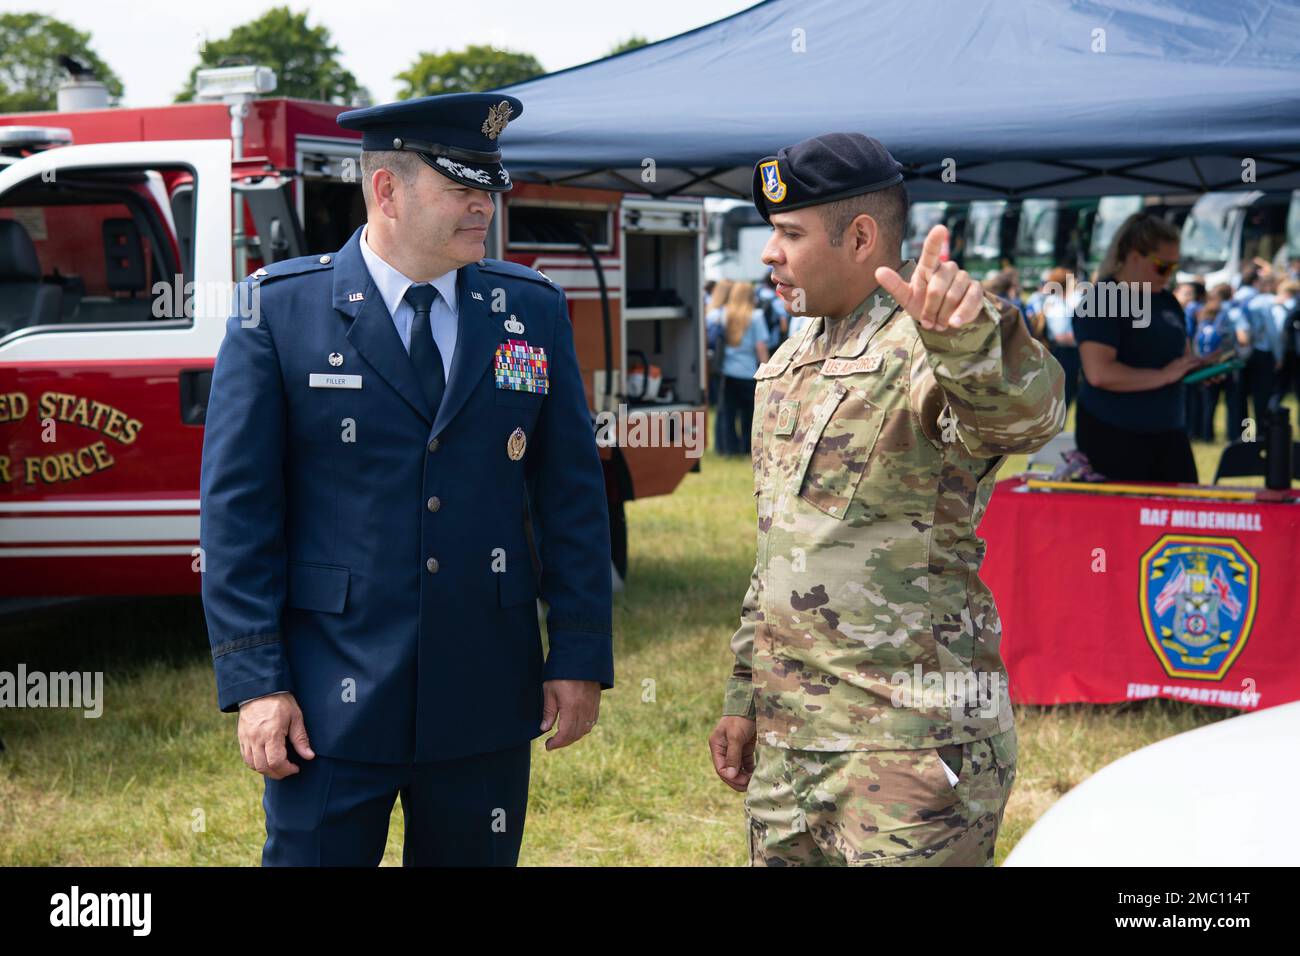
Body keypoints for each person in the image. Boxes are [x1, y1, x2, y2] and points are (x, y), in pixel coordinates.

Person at [199, 92, 614, 867]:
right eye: (461, 188)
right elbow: (237, 517)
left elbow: (571, 501)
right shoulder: (279, 313)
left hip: (484, 692)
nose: (482, 208)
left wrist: (579, 654)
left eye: (488, 188)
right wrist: (258, 683)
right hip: (329, 698)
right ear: (387, 191)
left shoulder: (530, 312)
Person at [708, 133, 1065, 866]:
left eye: (788, 234)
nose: (768, 255)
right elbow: (779, 552)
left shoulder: (935, 336)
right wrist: (746, 697)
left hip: (911, 749)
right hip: (793, 748)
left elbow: (1027, 418)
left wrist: (965, 343)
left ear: (861, 236)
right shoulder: (790, 358)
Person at [1073, 212, 1204, 482]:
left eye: (1174, 267)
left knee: (1182, 518)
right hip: (1115, 434)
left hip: (1169, 430)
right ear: (1134, 257)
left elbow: (1180, 359)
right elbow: (1099, 373)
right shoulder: (1104, 299)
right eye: (1162, 266)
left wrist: (1200, 368)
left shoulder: (1167, 301)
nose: (1169, 275)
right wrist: (1163, 376)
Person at [717, 280, 769, 455]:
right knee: (749, 415)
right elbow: (760, 346)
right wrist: (767, 370)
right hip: (748, 372)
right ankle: (748, 448)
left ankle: (729, 449)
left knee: (728, 414)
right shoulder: (756, 316)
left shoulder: (724, 315)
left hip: (727, 371)